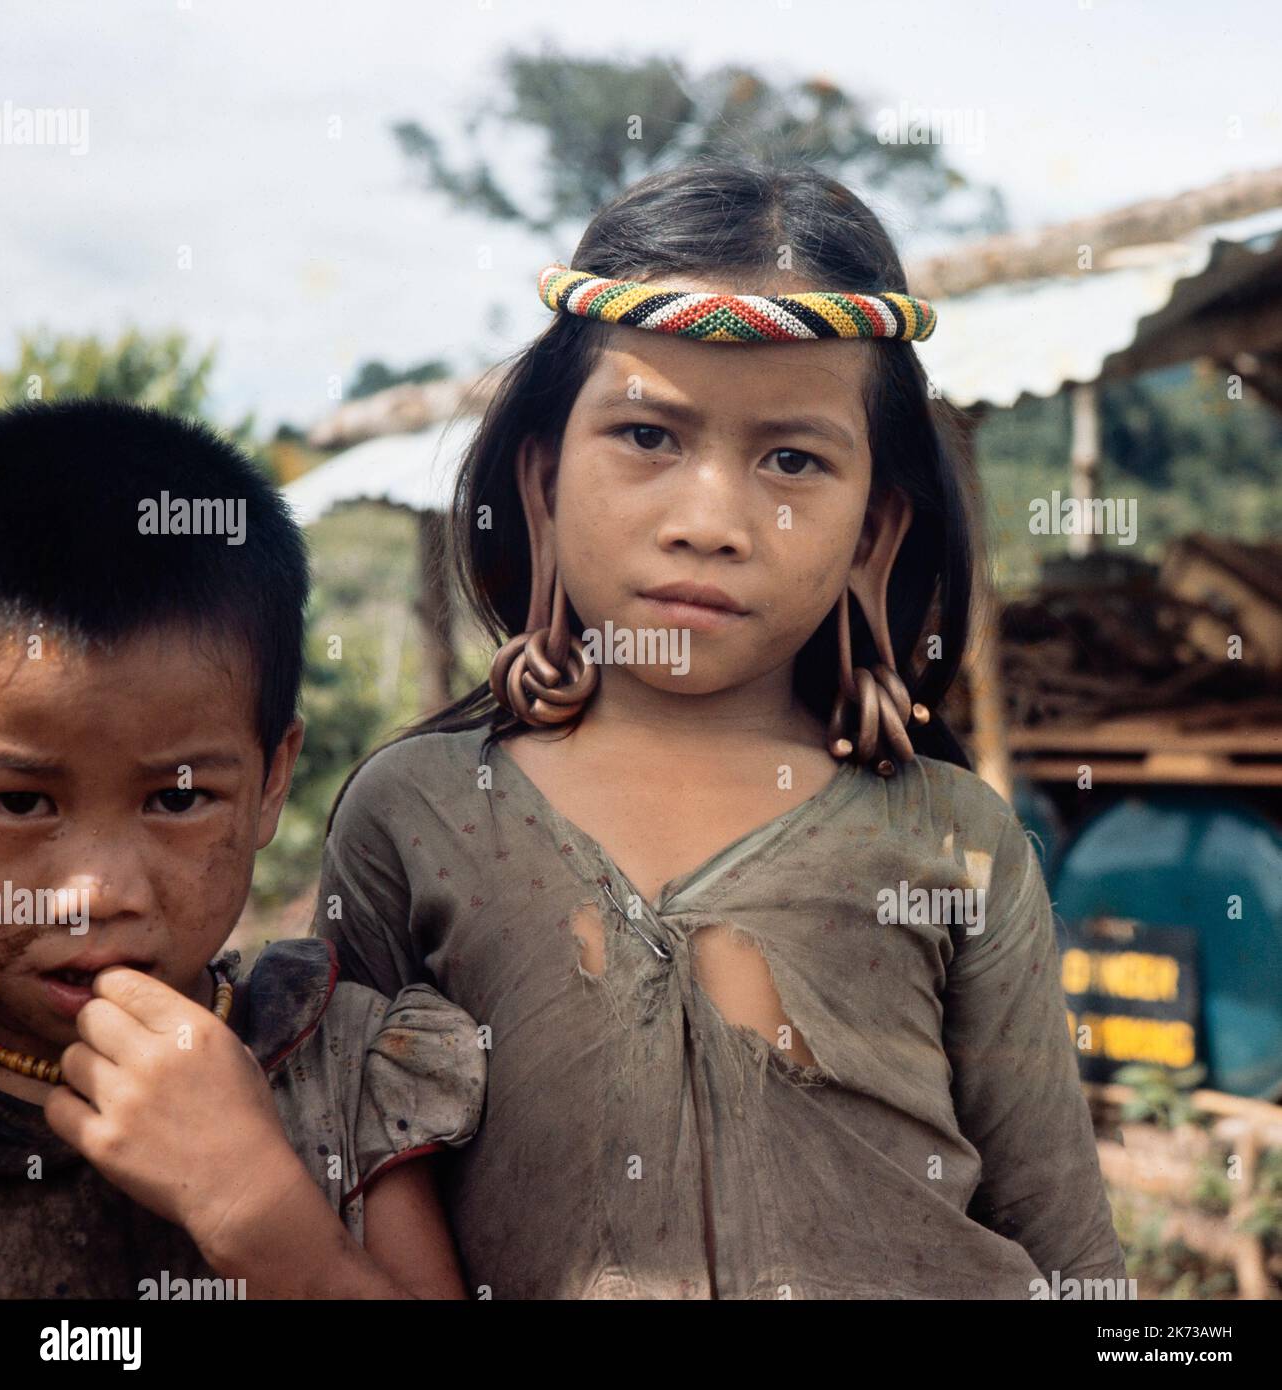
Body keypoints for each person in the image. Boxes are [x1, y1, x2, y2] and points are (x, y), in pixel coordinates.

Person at [315, 157, 1128, 1299]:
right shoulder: (413, 814)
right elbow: (354, 1186)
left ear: (870, 535)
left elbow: (1071, 1255)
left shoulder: (953, 840)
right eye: (648, 436)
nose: (710, 521)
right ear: (539, 486)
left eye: (791, 460)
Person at [0, 400, 485, 1299]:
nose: (98, 891)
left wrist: (267, 1223)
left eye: (178, 798)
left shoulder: (338, 1072)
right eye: (18, 800)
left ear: (270, 783)